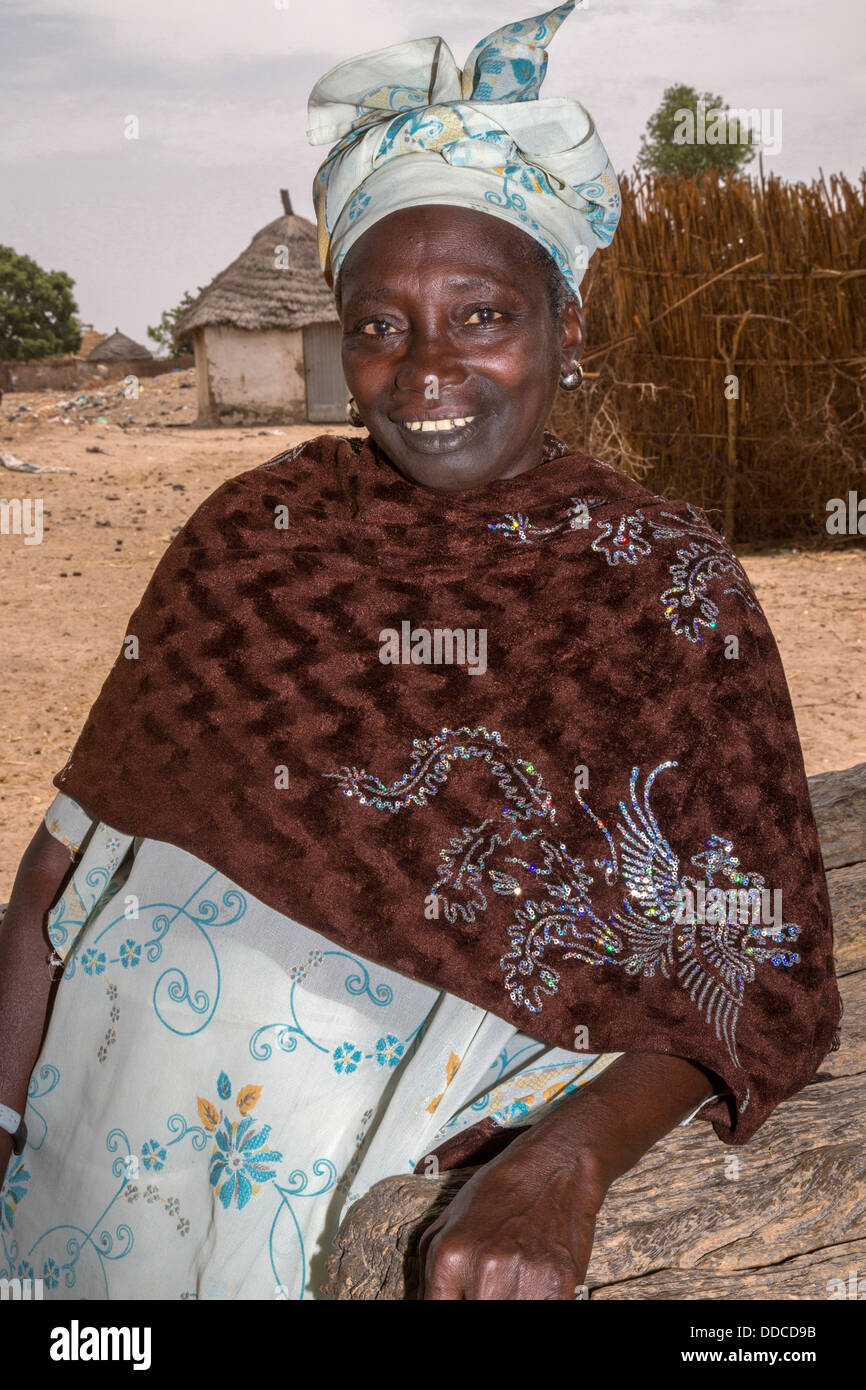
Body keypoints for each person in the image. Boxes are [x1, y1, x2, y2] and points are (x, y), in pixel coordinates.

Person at [0, 2, 841, 1301]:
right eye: (380, 326)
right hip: (91, 1174)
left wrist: (568, 1160)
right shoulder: (254, 533)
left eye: (481, 314)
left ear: (568, 327)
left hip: (368, 1215)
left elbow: (755, 956)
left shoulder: (663, 587)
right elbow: (65, 861)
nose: (425, 372)